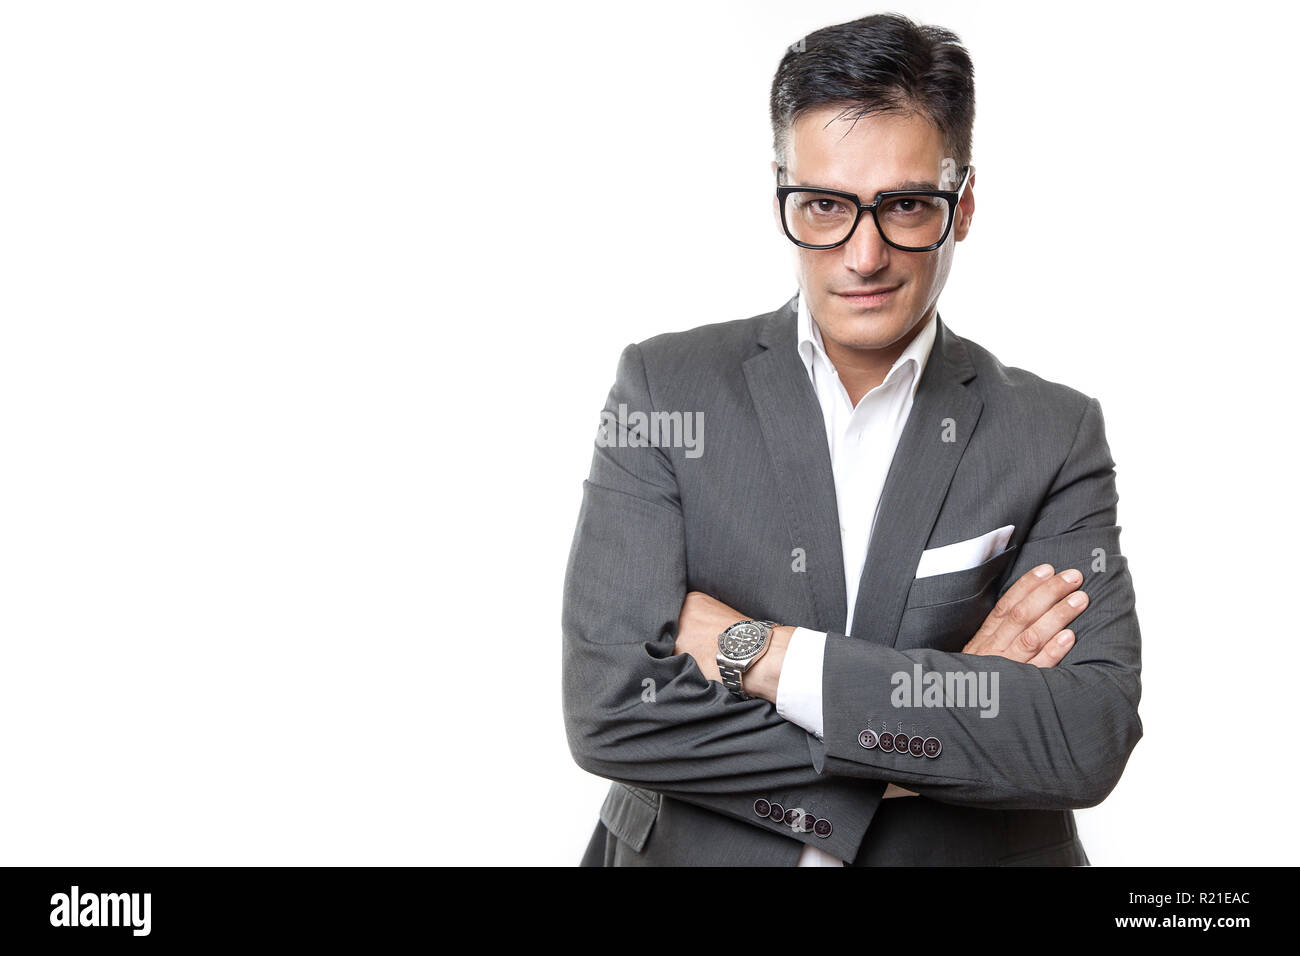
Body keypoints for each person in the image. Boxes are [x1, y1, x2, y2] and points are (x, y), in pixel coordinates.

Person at [561, 12, 1142, 866]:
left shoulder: (1053, 433)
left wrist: (763, 655)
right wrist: (930, 729)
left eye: (906, 205)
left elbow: (1083, 738)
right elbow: (611, 706)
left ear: (963, 203)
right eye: (825, 205)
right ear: (781, 198)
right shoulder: (662, 388)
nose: (863, 254)